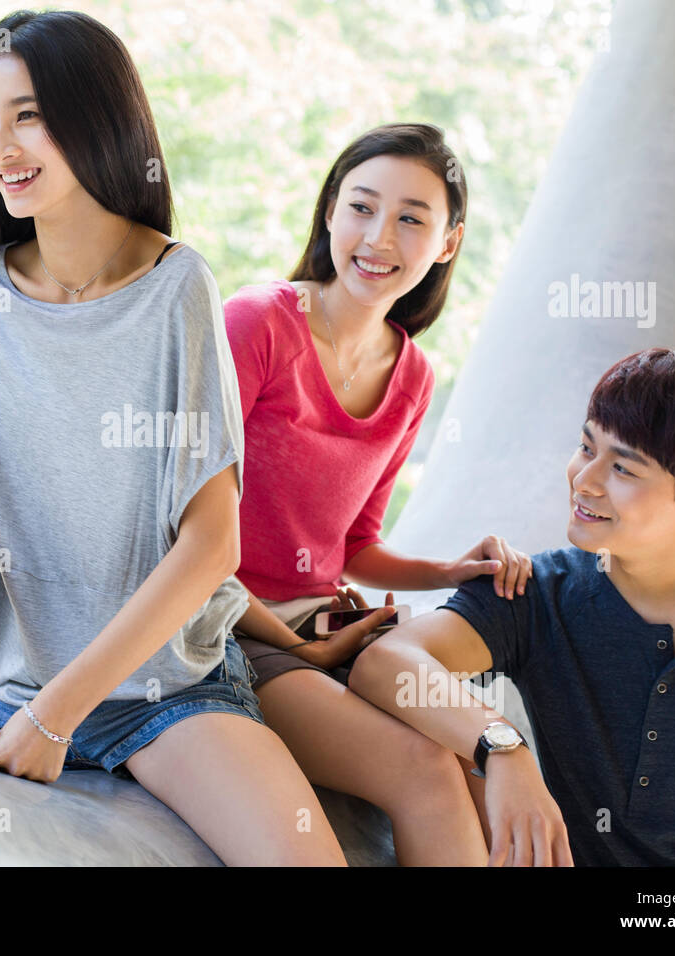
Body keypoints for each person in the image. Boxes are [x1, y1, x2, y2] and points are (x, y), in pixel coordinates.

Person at [0, 9, 346, 865]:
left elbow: (212, 542)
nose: (0, 145)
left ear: (98, 116)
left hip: (169, 687)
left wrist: (62, 711)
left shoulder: (178, 286)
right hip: (14, 686)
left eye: (29, 116)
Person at [352, 348, 675, 866]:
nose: (584, 479)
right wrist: (503, 749)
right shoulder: (537, 592)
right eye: (586, 446)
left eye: (622, 468)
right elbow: (389, 663)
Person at [224, 123, 531, 865]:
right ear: (330, 210)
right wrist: (297, 642)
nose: (378, 237)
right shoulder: (258, 323)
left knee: (473, 763)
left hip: (333, 632)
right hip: (230, 632)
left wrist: (449, 574)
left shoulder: (413, 375)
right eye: (361, 207)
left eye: (411, 219)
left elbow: (355, 544)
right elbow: (175, 526)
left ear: (447, 244)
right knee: (425, 773)